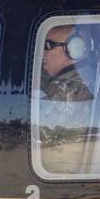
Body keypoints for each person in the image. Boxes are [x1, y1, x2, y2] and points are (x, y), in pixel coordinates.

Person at [37, 23, 95, 174]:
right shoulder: (81, 80)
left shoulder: (68, 91)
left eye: (48, 45)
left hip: (57, 172)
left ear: (74, 49)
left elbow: (34, 141)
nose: (42, 53)